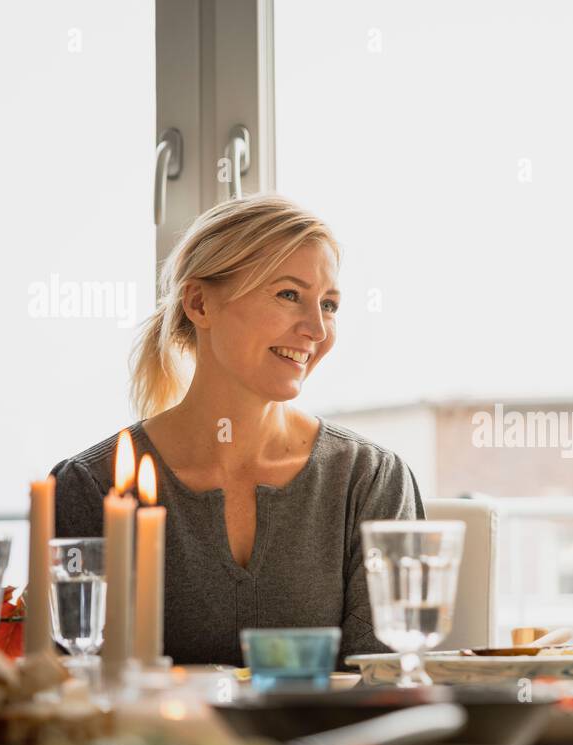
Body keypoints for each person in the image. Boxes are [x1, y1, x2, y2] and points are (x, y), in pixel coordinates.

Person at [51, 194, 423, 667]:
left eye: (328, 305)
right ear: (200, 303)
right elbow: (75, 689)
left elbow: (379, 683)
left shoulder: (371, 480)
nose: (316, 329)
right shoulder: (89, 487)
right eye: (289, 294)